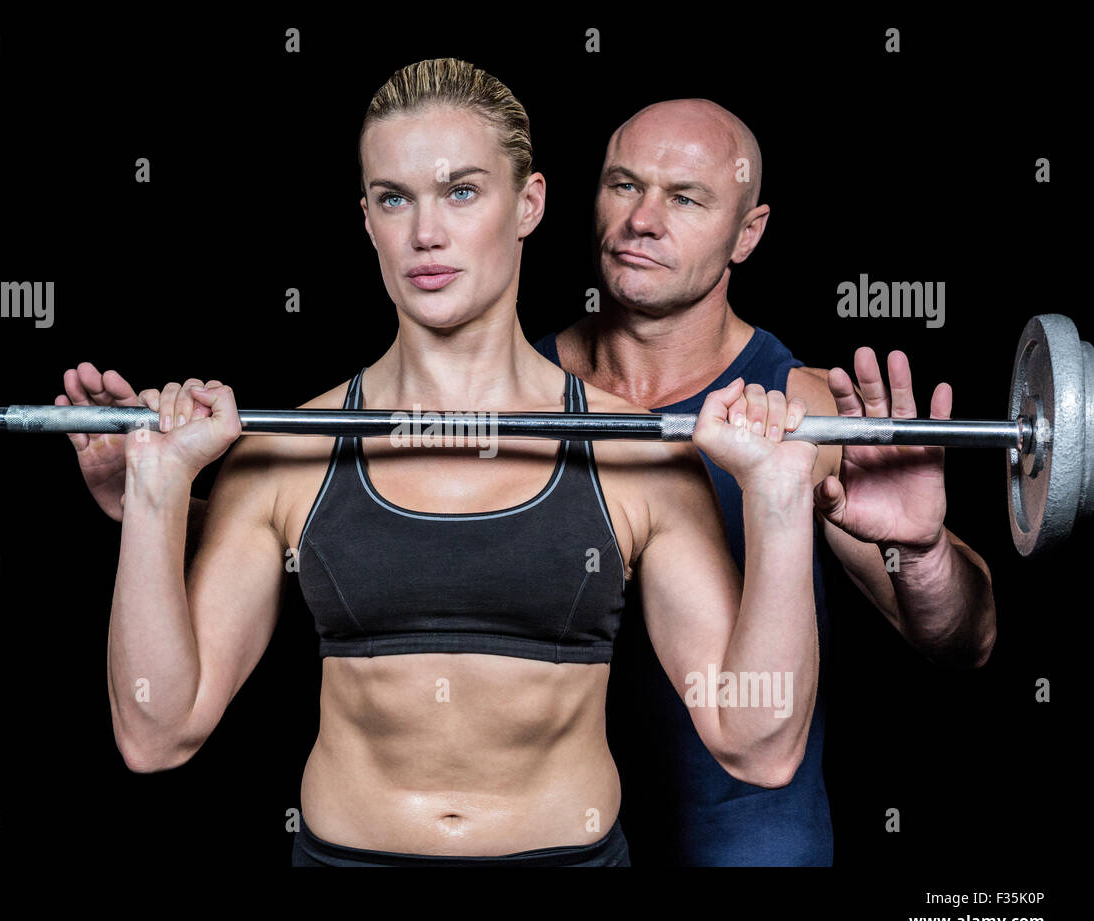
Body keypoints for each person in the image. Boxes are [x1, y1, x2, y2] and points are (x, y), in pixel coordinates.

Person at [56, 59, 821, 866]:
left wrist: (776, 498)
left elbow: (756, 745)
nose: (426, 233)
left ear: (528, 205)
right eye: (395, 198)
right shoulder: (287, 451)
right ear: (367, 220)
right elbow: (156, 732)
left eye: (461, 191)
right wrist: (156, 486)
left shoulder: (633, 456)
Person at [531, 98, 997, 865]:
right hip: (560, 843)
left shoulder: (807, 409)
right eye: (624, 186)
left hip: (747, 846)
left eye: (685, 198)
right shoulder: (515, 394)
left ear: (747, 233)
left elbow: (965, 642)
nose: (643, 220)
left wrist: (921, 553)